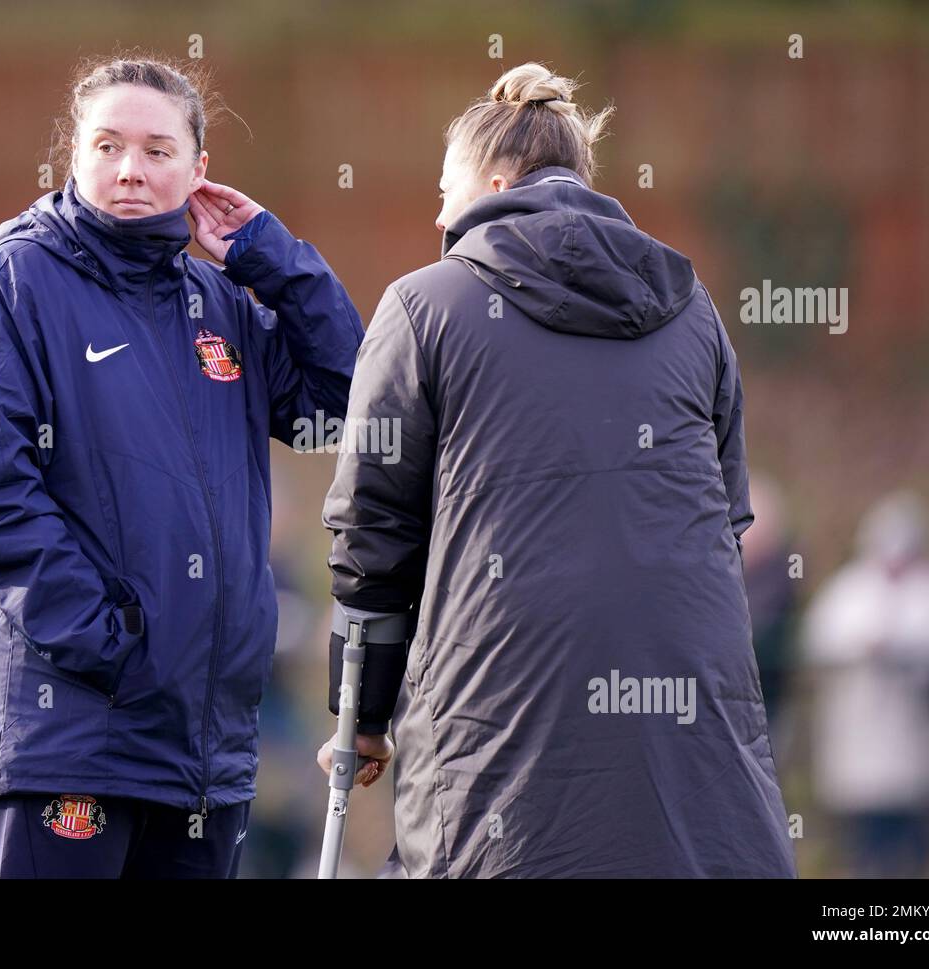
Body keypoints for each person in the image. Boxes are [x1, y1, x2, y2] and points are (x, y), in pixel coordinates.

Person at [319, 62, 796, 877]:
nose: (438, 214)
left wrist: (360, 715)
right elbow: (728, 514)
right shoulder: (693, 310)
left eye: (445, 191)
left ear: (496, 183)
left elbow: (372, 534)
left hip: (496, 733)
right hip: (694, 742)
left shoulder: (420, 307)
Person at [0, 54, 363, 878]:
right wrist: (117, 648)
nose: (130, 169)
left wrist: (270, 255)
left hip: (205, 748)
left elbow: (345, 400)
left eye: (158, 151)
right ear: (75, 156)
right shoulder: (15, 284)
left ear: (199, 171)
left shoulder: (223, 303)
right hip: (68, 737)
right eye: (108, 145)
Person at [802, 493, 929, 877]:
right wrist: (864, 646)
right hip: (859, 730)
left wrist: (901, 649)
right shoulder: (849, 589)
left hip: (910, 730)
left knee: (909, 821)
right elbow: (819, 639)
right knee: (865, 827)